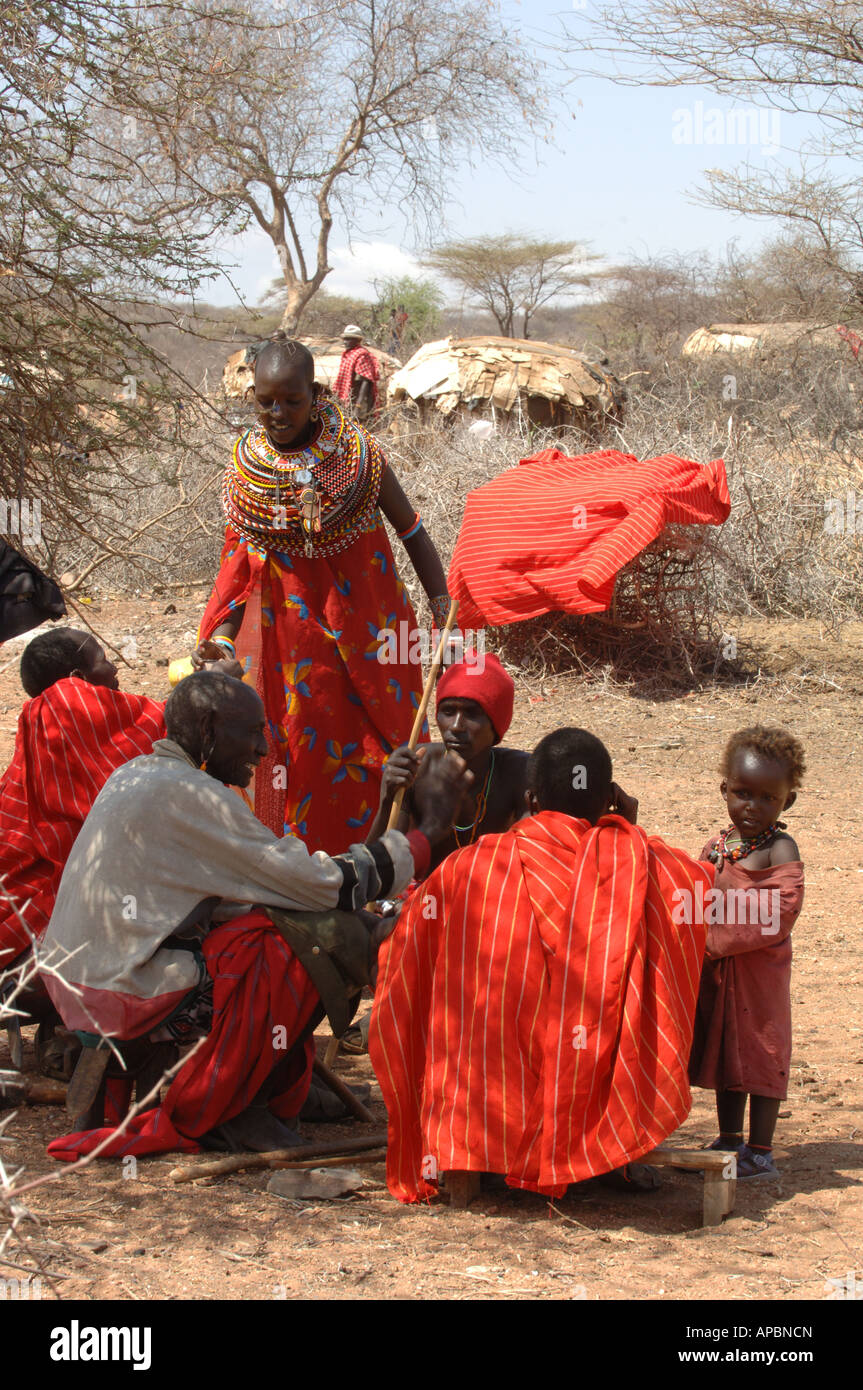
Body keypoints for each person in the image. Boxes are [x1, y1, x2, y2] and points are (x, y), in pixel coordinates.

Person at [40, 671, 472, 1160]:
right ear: (208, 729)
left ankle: (268, 1085)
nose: (263, 750)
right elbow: (317, 886)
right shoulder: (194, 797)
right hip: (124, 992)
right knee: (306, 941)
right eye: (251, 732)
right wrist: (426, 833)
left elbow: (266, 885)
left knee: (280, 922)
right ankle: (236, 1103)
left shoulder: (137, 773)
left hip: (82, 979)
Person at [369, 727, 713, 1203]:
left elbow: (406, 953)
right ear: (610, 797)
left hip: (488, 1098)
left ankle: (480, 1143)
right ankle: (603, 1133)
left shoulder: (470, 868)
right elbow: (697, 898)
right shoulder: (651, 867)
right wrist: (628, 829)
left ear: (530, 797)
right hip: (598, 1076)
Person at [194, 334, 452, 854]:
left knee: (393, 745)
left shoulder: (358, 457)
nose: (279, 412)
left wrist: (446, 616)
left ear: (314, 393)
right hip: (298, 649)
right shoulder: (248, 475)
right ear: (253, 399)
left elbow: (413, 531)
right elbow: (236, 577)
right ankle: (319, 872)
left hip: (377, 633)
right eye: (267, 402)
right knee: (305, 751)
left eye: (292, 400)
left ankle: (402, 863)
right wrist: (221, 644)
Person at [0, 629, 166, 971]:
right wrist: (208, 685)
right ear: (78, 679)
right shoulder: (68, 704)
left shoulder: (39, 722)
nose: (115, 669)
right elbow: (162, 730)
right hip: (27, 919)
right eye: (104, 660)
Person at [688, 726, 805, 1180]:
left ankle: (760, 1150)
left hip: (760, 977)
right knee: (725, 1052)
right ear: (724, 790)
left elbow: (780, 910)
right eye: (742, 793)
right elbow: (695, 895)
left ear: (786, 802)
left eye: (767, 798)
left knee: (761, 1049)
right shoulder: (718, 847)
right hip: (718, 973)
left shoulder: (780, 848)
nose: (752, 806)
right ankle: (729, 1138)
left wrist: (713, 936)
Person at [367, 654, 528, 874]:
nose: (456, 726)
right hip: (420, 900)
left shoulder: (519, 772)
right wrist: (388, 800)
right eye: (448, 711)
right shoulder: (417, 766)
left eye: (472, 714)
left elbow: (531, 861)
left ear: (497, 724)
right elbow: (377, 870)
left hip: (491, 896)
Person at [333, 324, 379, 420]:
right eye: (345, 339)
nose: (345, 342)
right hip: (348, 400)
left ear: (357, 341)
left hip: (359, 401)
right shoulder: (349, 354)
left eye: (349, 339)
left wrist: (358, 406)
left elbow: (365, 381)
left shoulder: (362, 355)